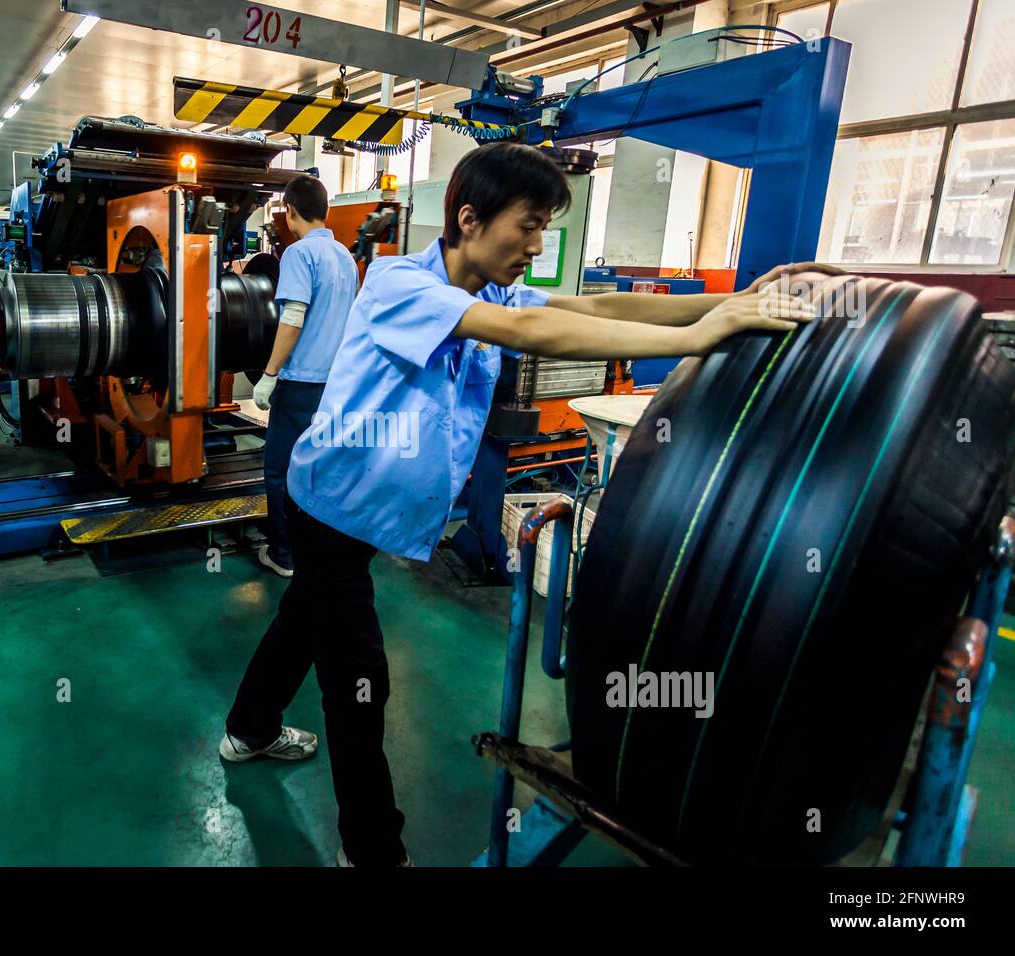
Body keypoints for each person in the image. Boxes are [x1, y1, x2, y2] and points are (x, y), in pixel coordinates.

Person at [219, 142, 828, 867]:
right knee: (359, 678)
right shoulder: (397, 282)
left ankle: (249, 729)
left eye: (545, 228)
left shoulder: (491, 289)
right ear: (470, 219)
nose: (538, 247)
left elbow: (594, 303)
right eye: (528, 226)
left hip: (361, 510)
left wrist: (728, 304)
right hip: (330, 505)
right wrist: (696, 339)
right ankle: (373, 850)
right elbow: (525, 332)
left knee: (303, 621)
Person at [251, 175, 359, 578]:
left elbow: (293, 318)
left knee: (280, 472)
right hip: (334, 387)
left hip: (299, 386)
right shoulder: (345, 257)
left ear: (291, 211)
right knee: (319, 471)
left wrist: (269, 373)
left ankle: (283, 555)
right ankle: (318, 551)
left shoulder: (299, 254)